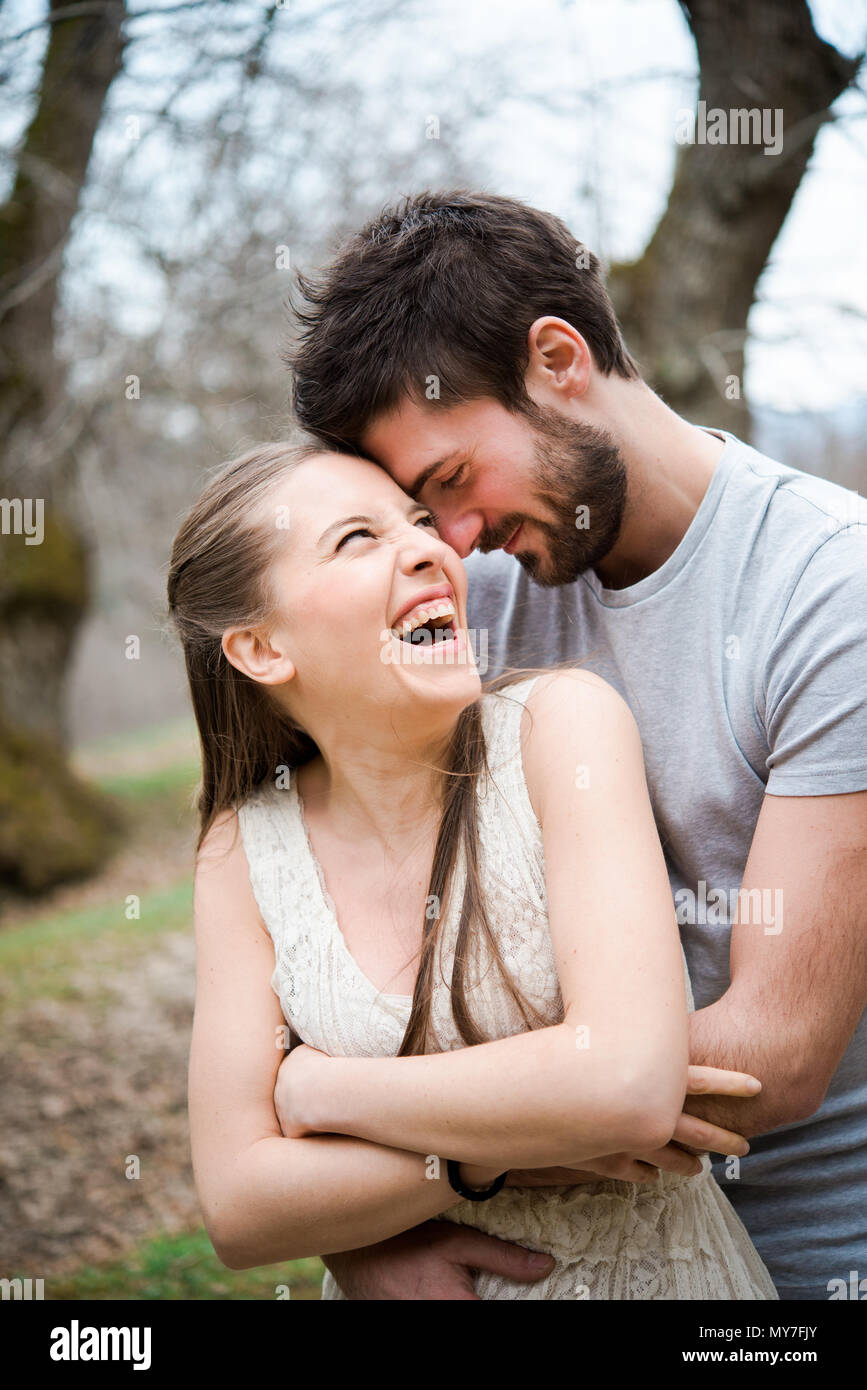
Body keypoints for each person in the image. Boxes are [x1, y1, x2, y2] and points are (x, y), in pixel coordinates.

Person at [288, 190, 867, 1301]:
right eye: (411, 511)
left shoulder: (827, 590)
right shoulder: (470, 604)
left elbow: (771, 1057)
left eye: (450, 481)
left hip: (794, 1267)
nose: (449, 544)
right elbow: (323, 935)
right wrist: (367, 1233)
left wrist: (396, 1167)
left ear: (558, 358)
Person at [170, 440, 777, 1299]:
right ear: (262, 649)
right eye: (355, 540)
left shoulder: (556, 729)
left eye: (419, 523)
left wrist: (325, 1094)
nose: (430, 550)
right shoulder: (243, 851)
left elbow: (628, 1082)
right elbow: (240, 1209)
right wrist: (484, 1159)